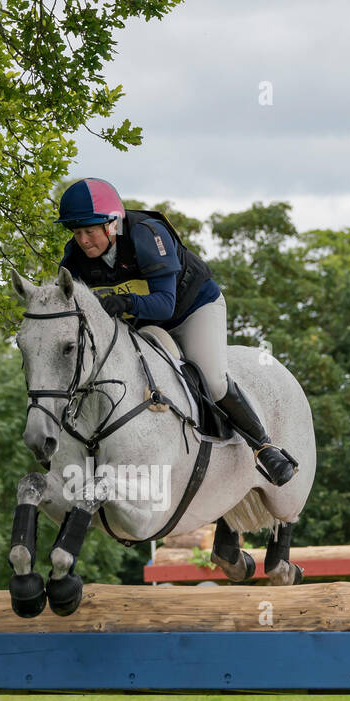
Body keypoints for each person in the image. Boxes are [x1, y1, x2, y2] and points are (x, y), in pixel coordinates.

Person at [54, 177, 297, 486]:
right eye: (77, 232)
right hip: (147, 322)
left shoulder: (146, 235)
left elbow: (166, 305)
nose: (84, 240)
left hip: (193, 309)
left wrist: (124, 301)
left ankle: (264, 447)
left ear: (111, 225)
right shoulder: (74, 258)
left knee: (211, 378)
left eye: (90, 231)